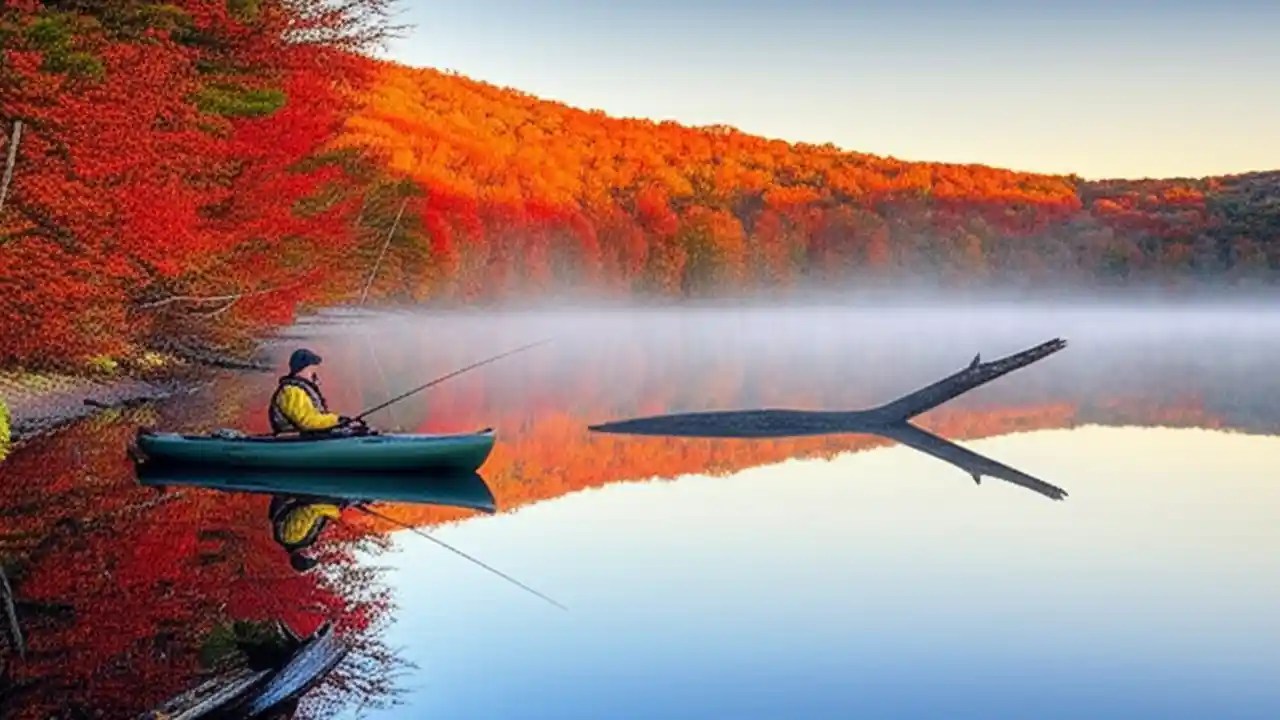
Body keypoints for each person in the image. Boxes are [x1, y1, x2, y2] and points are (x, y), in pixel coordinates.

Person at [268, 348, 367, 435]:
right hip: (295, 441)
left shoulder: (300, 389)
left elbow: (316, 418)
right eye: (313, 369)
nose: (316, 373)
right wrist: (337, 420)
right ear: (304, 369)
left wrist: (341, 421)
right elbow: (307, 422)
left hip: (307, 438)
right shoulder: (292, 391)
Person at [268, 494, 351, 573]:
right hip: (308, 499)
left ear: (303, 554)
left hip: (305, 496)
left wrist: (337, 512)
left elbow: (310, 509)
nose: (315, 553)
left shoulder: (292, 537)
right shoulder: (301, 541)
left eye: (311, 556)